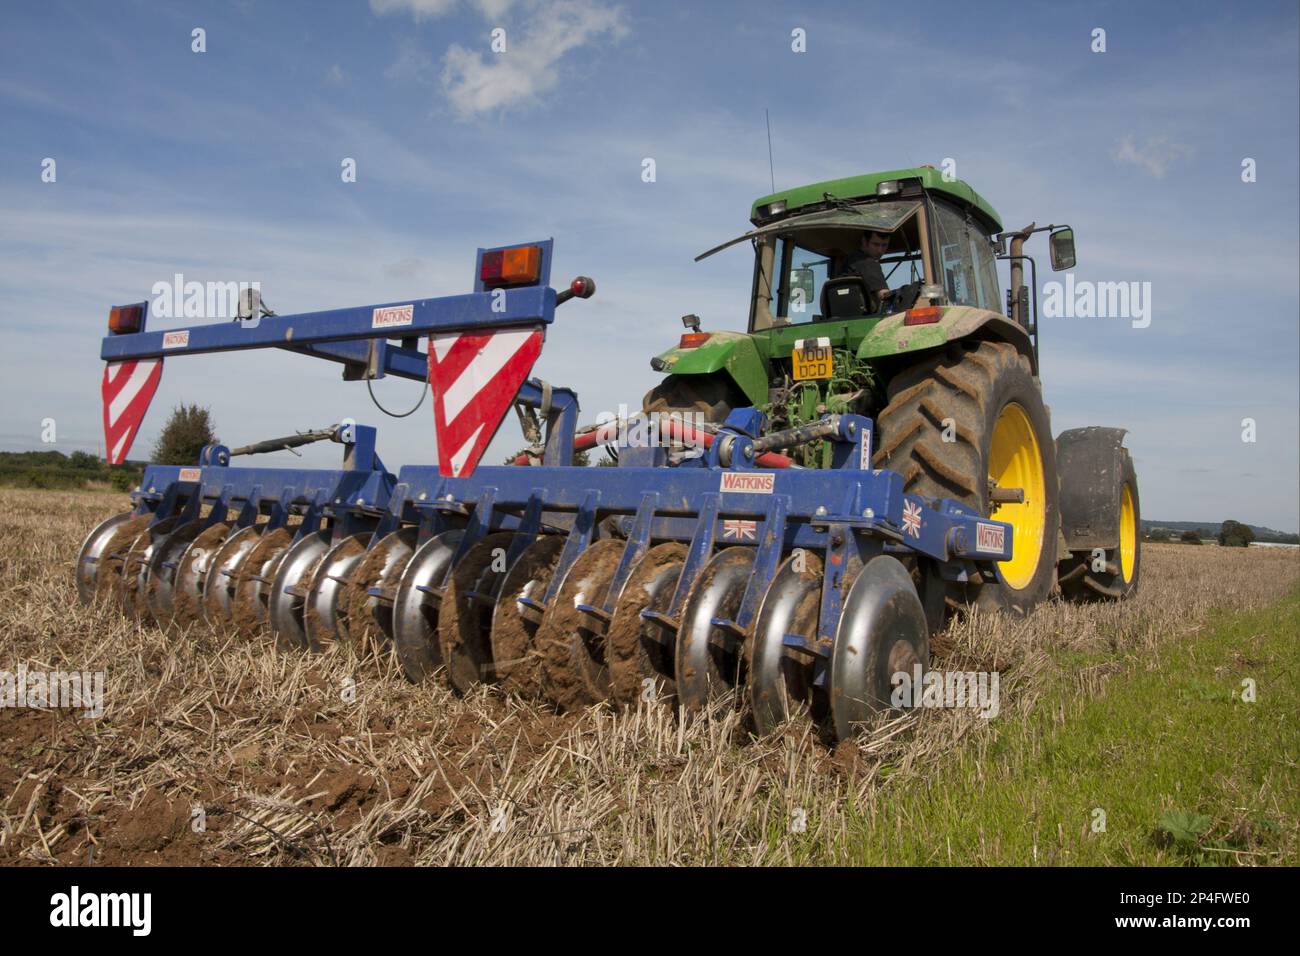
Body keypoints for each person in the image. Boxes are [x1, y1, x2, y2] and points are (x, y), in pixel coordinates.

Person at [838, 230, 891, 310]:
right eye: (876, 244)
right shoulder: (867, 262)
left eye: (884, 245)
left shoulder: (851, 260)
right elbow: (884, 295)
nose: (880, 250)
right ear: (864, 242)